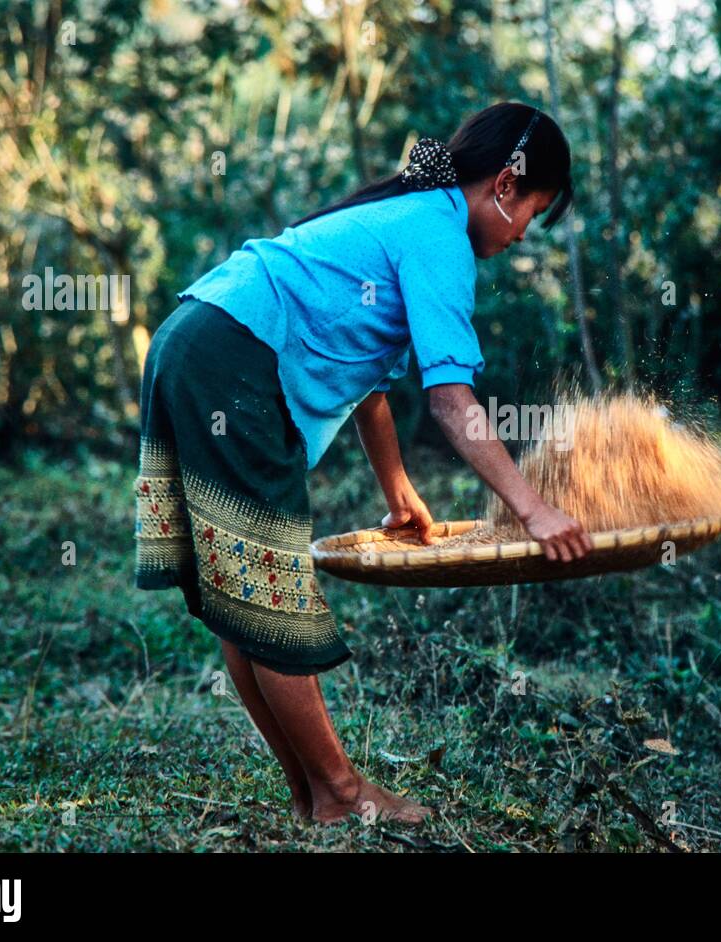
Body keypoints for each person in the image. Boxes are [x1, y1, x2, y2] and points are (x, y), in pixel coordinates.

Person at [133, 101, 593, 826]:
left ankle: (314, 795)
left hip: (196, 336)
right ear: (505, 185)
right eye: (532, 212)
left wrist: (398, 489)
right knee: (268, 589)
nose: (524, 234)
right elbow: (451, 401)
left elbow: (373, 381)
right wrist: (533, 508)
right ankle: (345, 793)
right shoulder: (438, 234)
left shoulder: (410, 218)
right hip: (231, 354)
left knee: (241, 591)